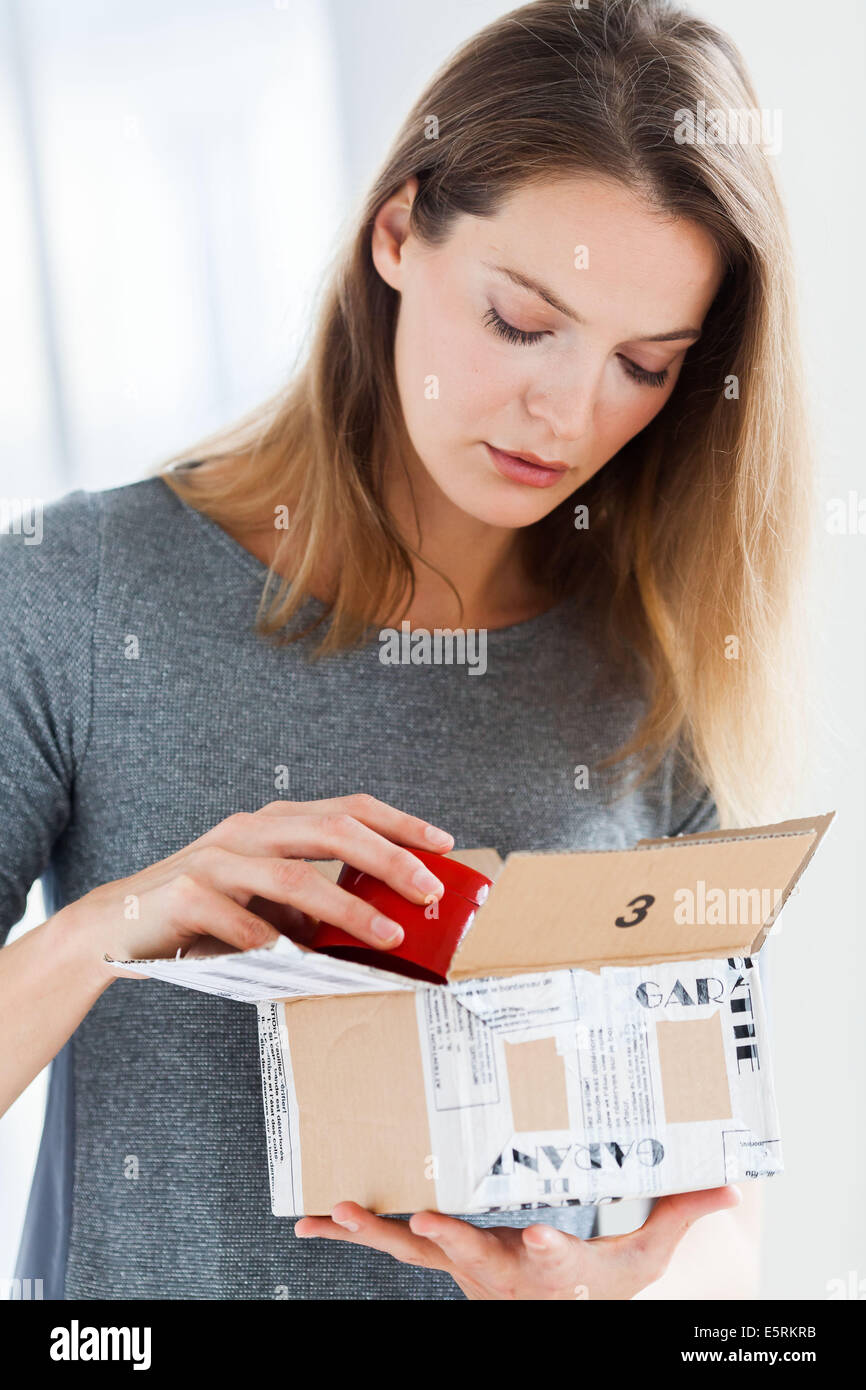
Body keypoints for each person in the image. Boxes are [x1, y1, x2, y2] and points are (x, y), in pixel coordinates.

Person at [0, 0, 810, 1300]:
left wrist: (608, 1288)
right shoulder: (76, 589)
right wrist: (110, 923)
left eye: (643, 365)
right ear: (398, 230)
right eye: (520, 320)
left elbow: (715, 1202)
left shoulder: (649, 666)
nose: (568, 410)